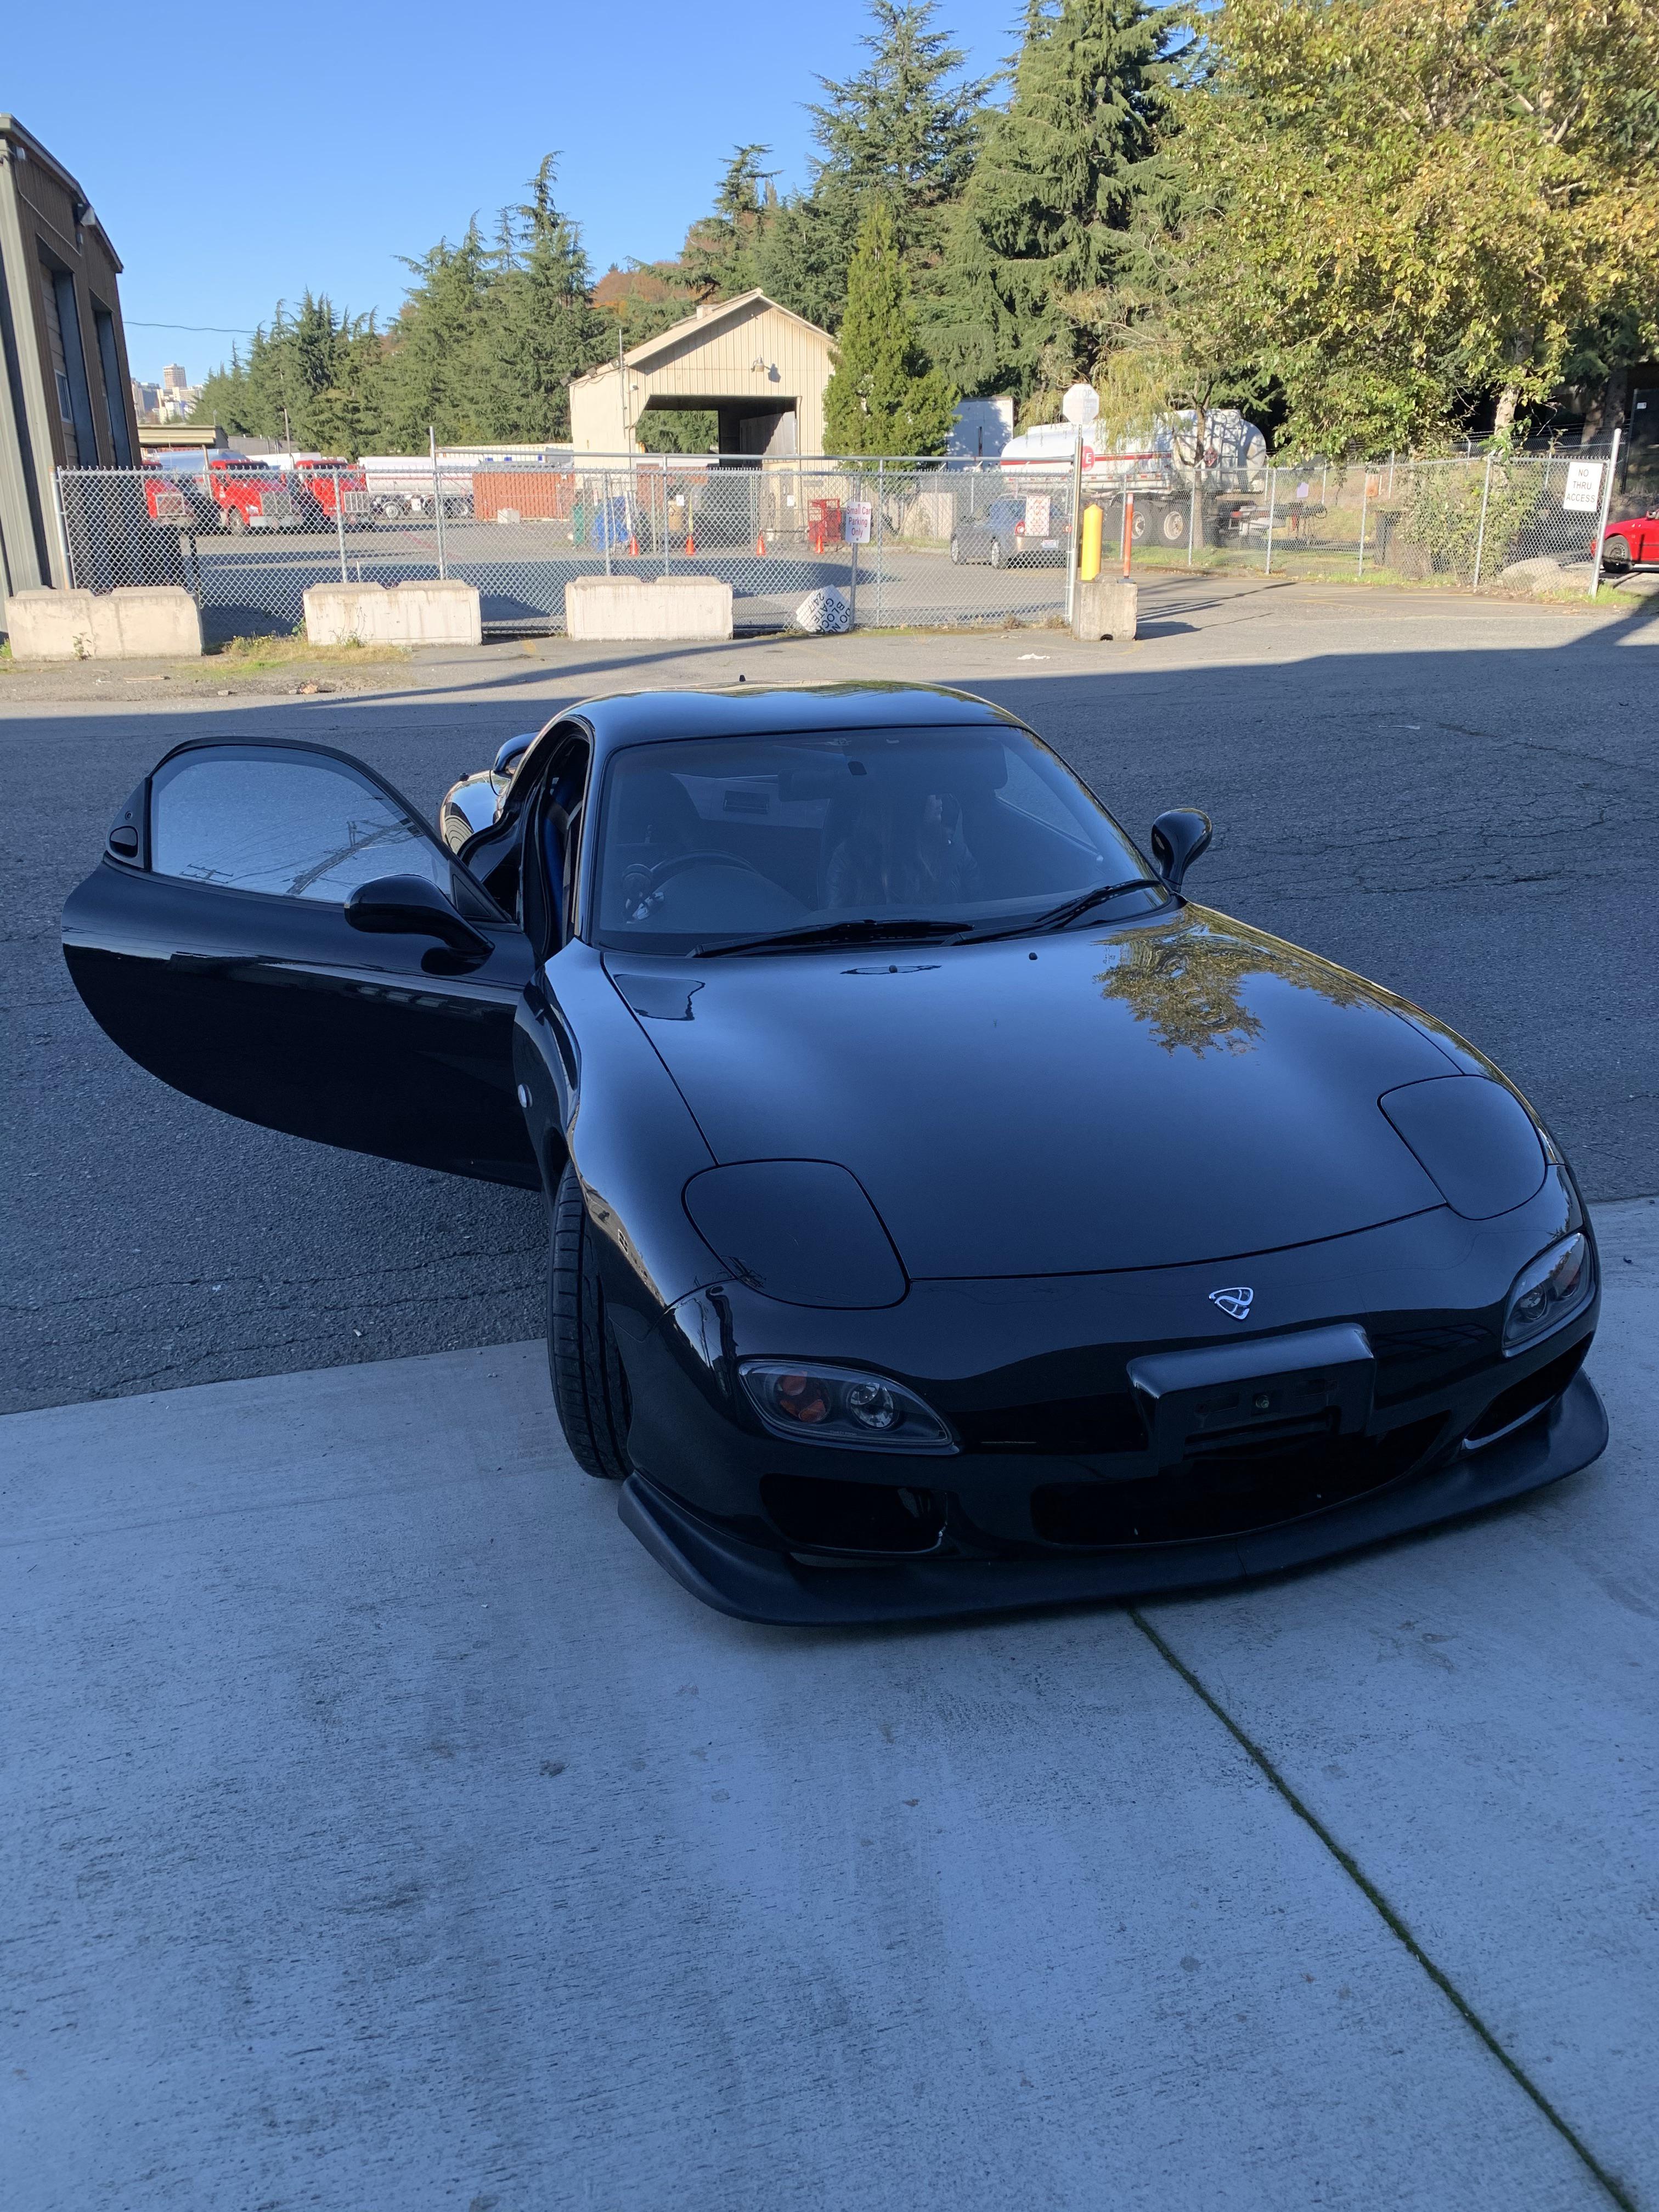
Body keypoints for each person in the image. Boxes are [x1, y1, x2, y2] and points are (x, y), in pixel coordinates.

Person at [825, 780, 981, 909]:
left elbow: (979, 917)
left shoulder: (955, 854)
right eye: (929, 791)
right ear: (906, 801)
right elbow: (835, 923)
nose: (940, 797)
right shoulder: (850, 858)